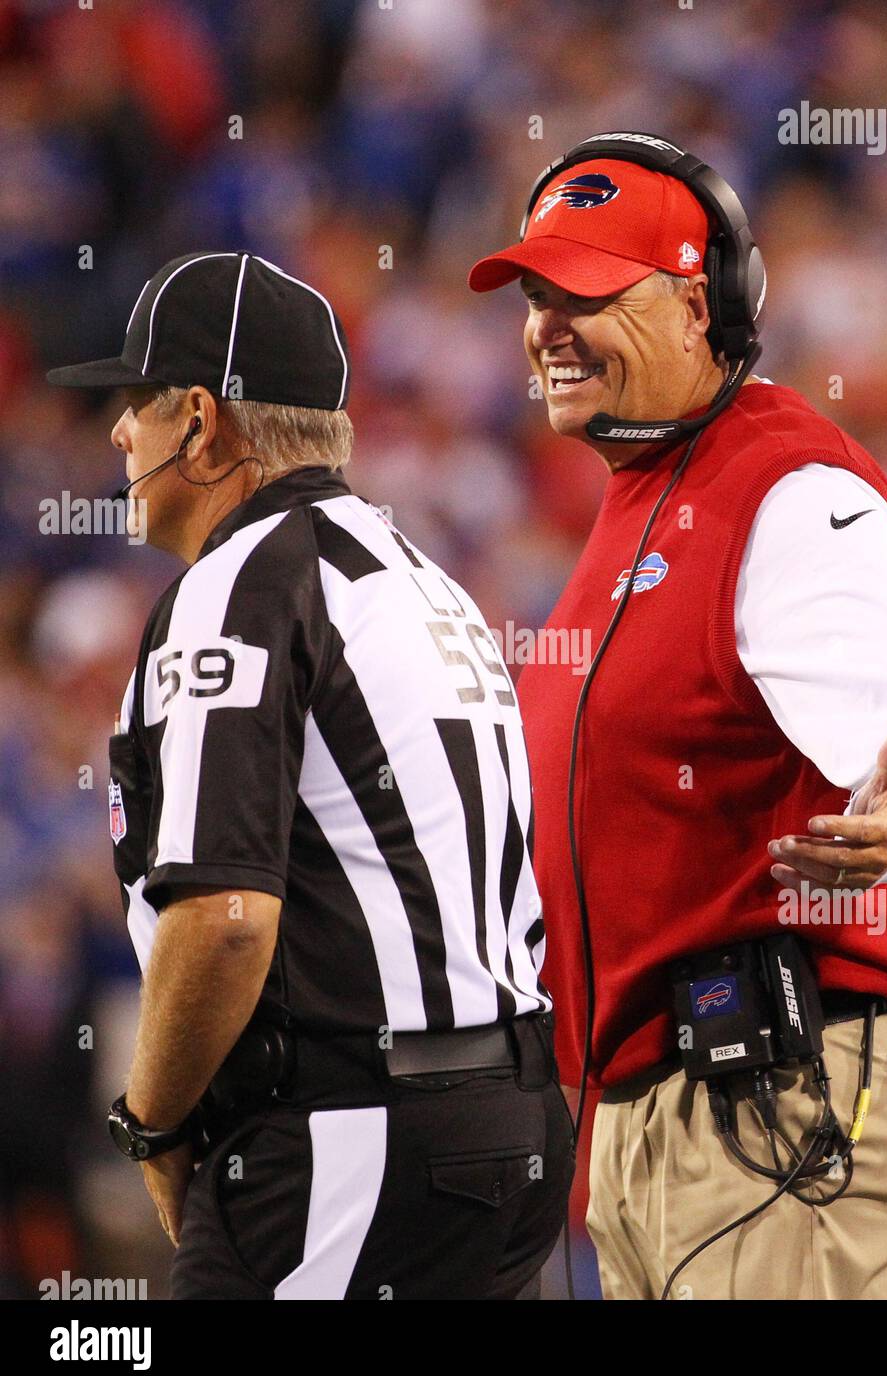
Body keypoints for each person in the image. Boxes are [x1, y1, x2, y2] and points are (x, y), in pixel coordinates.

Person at [468, 134, 887, 1300]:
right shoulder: (640, 500)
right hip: (672, 1118)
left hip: (785, 1099)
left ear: (700, 301)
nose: (549, 325)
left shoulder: (788, 491)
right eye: (540, 294)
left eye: (590, 293)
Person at [47, 249, 573, 1300]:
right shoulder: (424, 578)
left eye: (139, 402)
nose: (117, 432)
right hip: (508, 1119)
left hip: (355, 1130)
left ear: (201, 421)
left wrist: (152, 1120)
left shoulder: (241, 584)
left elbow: (229, 915)